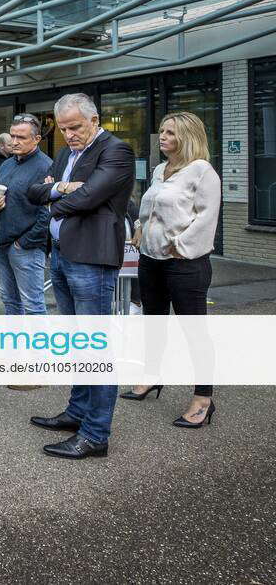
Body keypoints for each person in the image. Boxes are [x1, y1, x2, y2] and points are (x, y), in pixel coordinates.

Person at [26, 93, 135, 460]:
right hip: (62, 254)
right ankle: (77, 412)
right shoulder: (64, 154)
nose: (69, 134)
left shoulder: (114, 150)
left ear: (94, 120)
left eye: (75, 127)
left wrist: (56, 195)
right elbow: (32, 191)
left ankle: (95, 434)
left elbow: (88, 198)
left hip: (91, 257)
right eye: (63, 128)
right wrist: (61, 188)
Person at [120, 112, 221, 428]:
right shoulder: (161, 169)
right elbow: (149, 207)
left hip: (185, 264)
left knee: (194, 332)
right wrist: (138, 227)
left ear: (188, 137)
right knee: (154, 323)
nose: (162, 136)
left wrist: (180, 244)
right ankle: (151, 376)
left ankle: (203, 398)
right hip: (151, 260)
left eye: (170, 133)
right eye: (162, 131)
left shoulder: (202, 172)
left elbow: (207, 217)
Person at [0, 115, 52, 317]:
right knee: (9, 301)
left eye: (21, 137)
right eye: (13, 136)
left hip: (26, 248)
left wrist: (23, 243)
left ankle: (36, 349)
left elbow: (49, 212)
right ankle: (14, 346)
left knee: (33, 306)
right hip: (1, 243)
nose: (14, 142)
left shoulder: (46, 167)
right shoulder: (7, 164)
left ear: (37, 139)